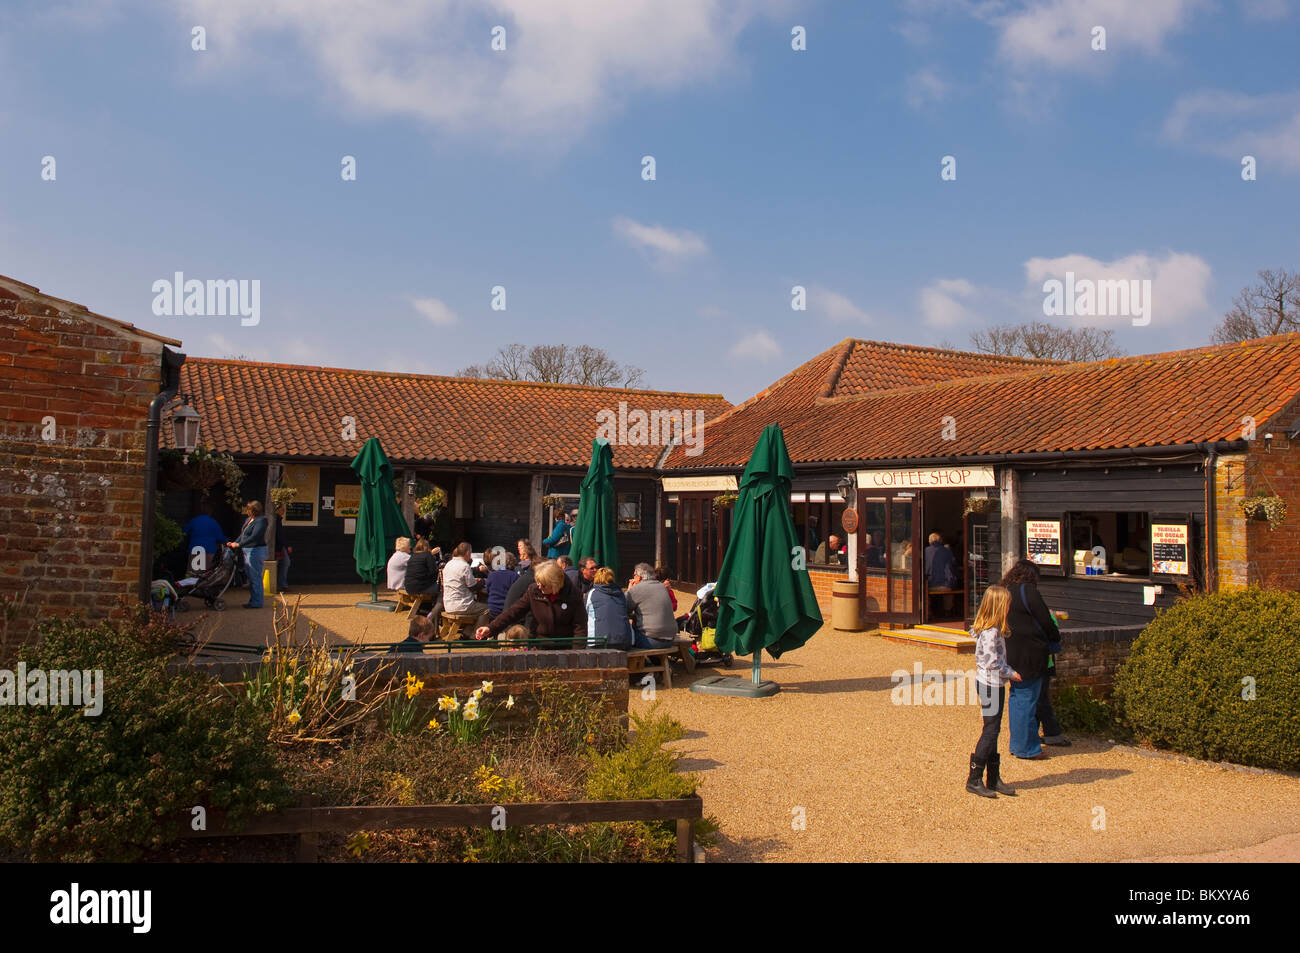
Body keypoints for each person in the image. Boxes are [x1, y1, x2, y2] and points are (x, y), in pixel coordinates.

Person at [1000, 558, 1066, 756]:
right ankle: (1026, 748)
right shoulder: (1028, 592)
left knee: (1017, 698)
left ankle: (1017, 744)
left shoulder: (1003, 591)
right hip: (1031, 652)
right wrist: (1055, 637)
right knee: (1027, 699)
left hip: (1010, 651)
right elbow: (1045, 621)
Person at [967, 584, 1021, 798]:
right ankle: (974, 778)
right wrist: (1011, 672)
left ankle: (992, 777)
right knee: (990, 730)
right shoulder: (990, 633)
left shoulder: (991, 629)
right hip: (990, 684)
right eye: (1007, 604)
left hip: (993, 684)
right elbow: (992, 662)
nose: (1009, 608)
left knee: (994, 729)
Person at [476, 560, 587, 648]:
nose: (539, 586)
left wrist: (576, 653)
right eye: (538, 582)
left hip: (564, 646)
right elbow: (514, 611)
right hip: (539, 644)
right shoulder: (534, 591)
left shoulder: (573, 595)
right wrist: (491, 628)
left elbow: (580, 627)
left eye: (543, 584)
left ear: (555, 584)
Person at [439, 541, 490, 632]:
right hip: (461, 606)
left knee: (479, 606)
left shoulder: (448, 564)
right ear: (467, 553)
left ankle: (467, 631)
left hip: (448, 604)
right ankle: (474, 634)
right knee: (487, 609)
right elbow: (473, 587)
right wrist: (483, 581)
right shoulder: (464, 566)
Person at [226, 500, 269, 609]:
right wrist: (233, 543)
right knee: (250, 576)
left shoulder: (262, 521)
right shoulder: (248, 519)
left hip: (256, 550)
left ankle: (257, 602)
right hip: (247, 550)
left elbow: (255, 536)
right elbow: (243, 535)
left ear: (254, 510)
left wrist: (239, 544)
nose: (247, 511)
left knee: (255, 577)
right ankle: (253, 600)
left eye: (248, 509)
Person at [626, 562, 677, 649]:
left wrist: (629, 589)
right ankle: (651, 661)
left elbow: (623, 609)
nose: (633, 577)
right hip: (670, 640)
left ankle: (642, 662)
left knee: (626, 635)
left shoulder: (636, 589)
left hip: (650, 641)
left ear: (640, 577)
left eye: (634, 575)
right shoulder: (662, 587)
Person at [585, 567, 633, 649]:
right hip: (623, 640)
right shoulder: (620, 593)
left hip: (599, 641)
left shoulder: (591, 594)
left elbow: (585, 613)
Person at [181, 505, 225, 574]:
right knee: (203, 575)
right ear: (211, 512)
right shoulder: (214, 522)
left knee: (193, 573)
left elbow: (184, 532)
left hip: (195, 548)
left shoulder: (194, 520)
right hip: (208, 550)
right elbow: (221, 538)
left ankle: (190, 583)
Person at [925, 531, 957, 615]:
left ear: (929, 541)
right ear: (940, 541)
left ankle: (928, 612)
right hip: (945, 585)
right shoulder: (947, 551)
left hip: (929, 585)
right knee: (950, 590)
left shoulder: (925, 551)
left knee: (923, 591)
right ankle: (947, 611)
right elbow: (953, 564)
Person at [485, 550, 520, 617]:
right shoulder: (515, 576)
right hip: (507, 611)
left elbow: (487, 590)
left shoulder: (492, 575)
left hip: (492, 609)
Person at [273, 503, 292, 593]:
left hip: (279, 546)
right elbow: (280, 535)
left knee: (284, 563)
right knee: (284, 563)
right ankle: (280, 584)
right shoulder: (276, 520)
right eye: (282, 509)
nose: (283, 511)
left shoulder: (278, 520)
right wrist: (286, 545)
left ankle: (281, 584)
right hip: (278, 546)